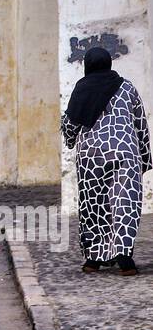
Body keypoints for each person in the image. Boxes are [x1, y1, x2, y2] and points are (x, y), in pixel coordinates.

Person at [61, 46, 151, 277]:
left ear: (88, 65)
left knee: (94, 204)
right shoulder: (127, 87)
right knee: (125, 203)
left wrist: (70, 139)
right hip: (125, 152)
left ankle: (93, 258)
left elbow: (71, 122)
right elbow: (140, 123)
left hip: (91, 155)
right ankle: (124, 257)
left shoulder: (82, 88)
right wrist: (144, 157)